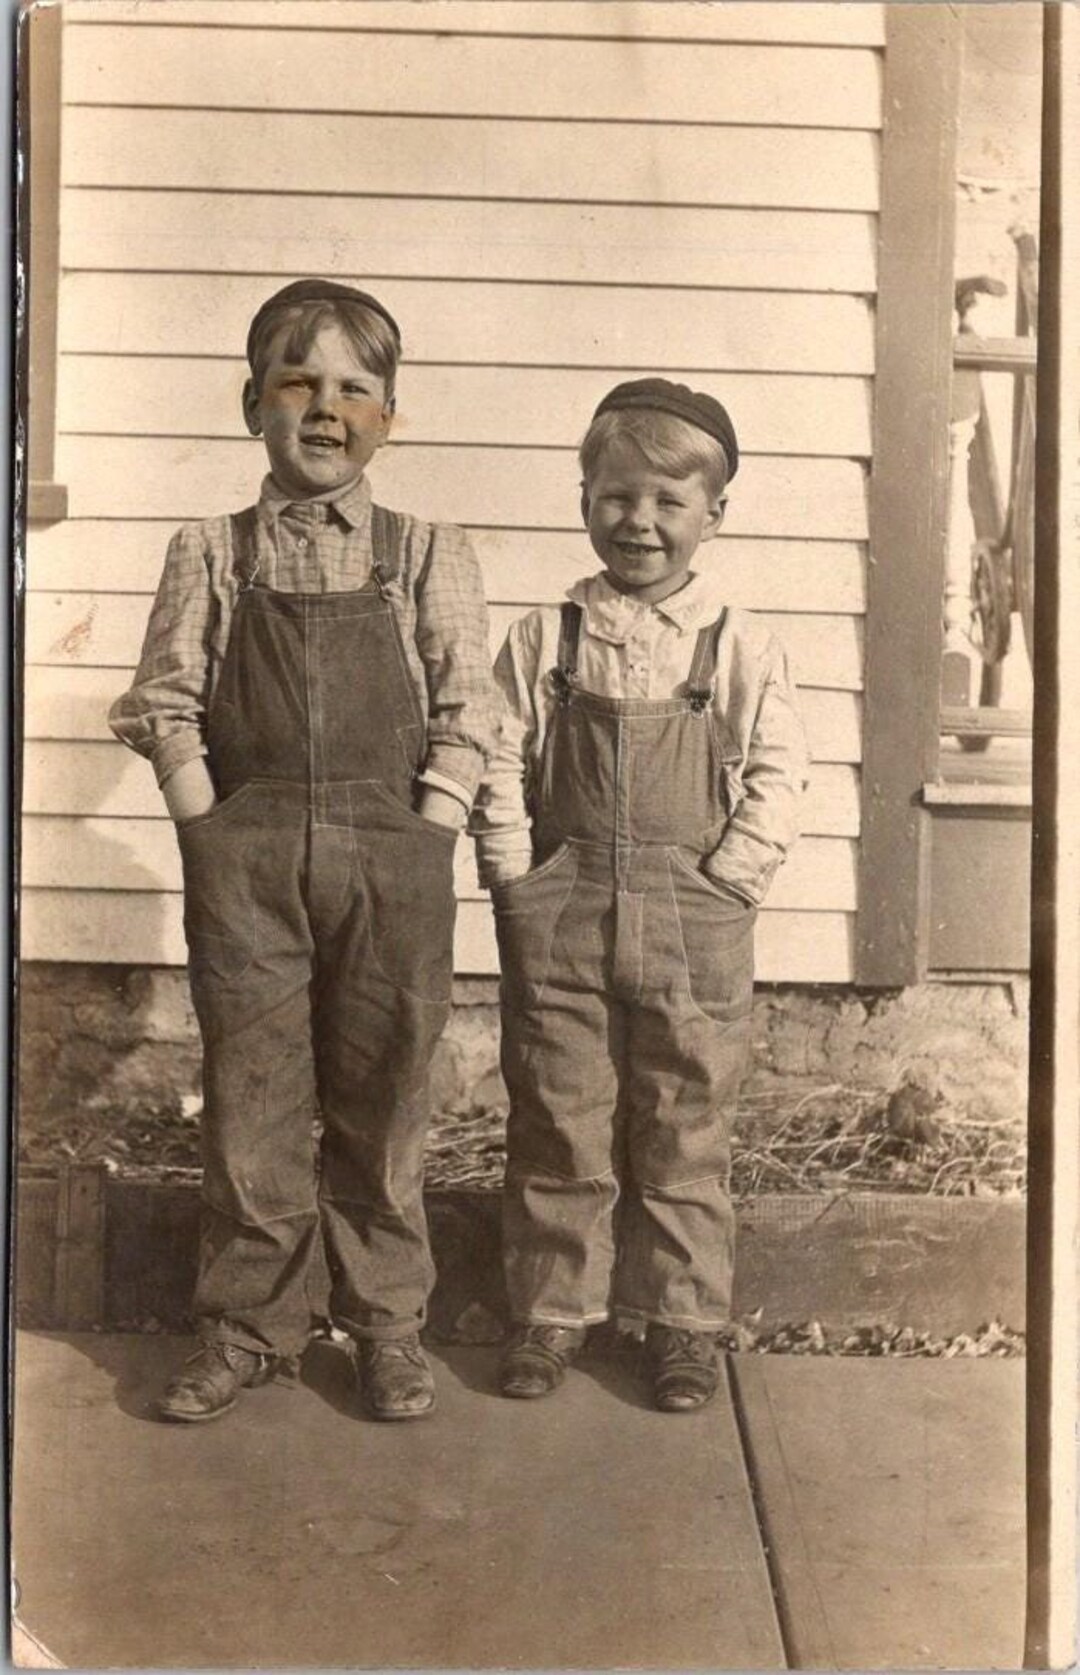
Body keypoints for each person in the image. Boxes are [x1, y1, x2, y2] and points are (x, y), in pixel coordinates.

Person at [109, 279, 496, 1424]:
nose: (325, 411)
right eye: (298, 384)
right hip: (250, 858)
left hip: (395, 856)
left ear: (390, 418)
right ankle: (247, 1329)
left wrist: (428, 830)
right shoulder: (211, 551)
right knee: (254, 1098)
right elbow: (164, 699)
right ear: (252, 407)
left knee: (385, 1096)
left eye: (354, 390)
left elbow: (471, 708)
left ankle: (385, 1327)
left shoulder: (425, 552)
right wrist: (208, 825)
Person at [473, 379, 808, 1412]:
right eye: (618, 497)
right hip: (565, 903)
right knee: (558, 1112)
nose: (642, 523)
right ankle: (550, 1312)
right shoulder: (547, 637)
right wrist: (512, 867)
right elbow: (496, 750)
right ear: (585, 502)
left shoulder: (738, 641)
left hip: (692, 912)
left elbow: (780, 770)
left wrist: (731, 878)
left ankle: (680, 1322)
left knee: (683, 1120)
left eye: (670, 502)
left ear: (716, 515)